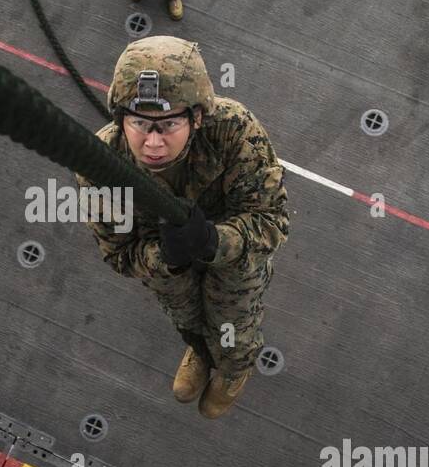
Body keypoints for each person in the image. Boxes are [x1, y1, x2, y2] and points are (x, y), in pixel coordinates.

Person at [75, 36, 289, 417]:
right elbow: (119, 254)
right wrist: (166, 258)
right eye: (139, 123)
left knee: (234, 320)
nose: (153, 142)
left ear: (197, 117)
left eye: (169, 124)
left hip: (234, 259)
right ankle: (201, 349)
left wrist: (213, 241)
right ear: (120, 117)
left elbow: (270, 221)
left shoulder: (234, 132)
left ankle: (233, 368)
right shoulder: (100, 165)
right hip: (167, 270)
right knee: (185, 313)